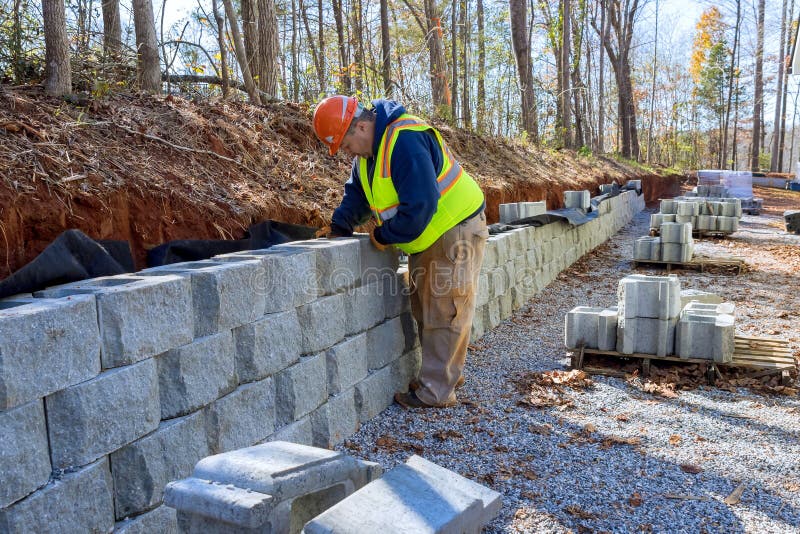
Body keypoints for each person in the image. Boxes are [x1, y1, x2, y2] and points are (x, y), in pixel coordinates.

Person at [312, 95, 488, 408]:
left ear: (361, 127)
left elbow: (421, 205)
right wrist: (340, 225)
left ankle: (437, 392)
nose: (348, 152)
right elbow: (358, 195)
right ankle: (441, 378)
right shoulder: (367, 155)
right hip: (427, 235)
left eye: (346, 145)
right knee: (426, 309)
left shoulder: (404, 140)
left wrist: (385, 234)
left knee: (445, 310)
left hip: (455, 227)